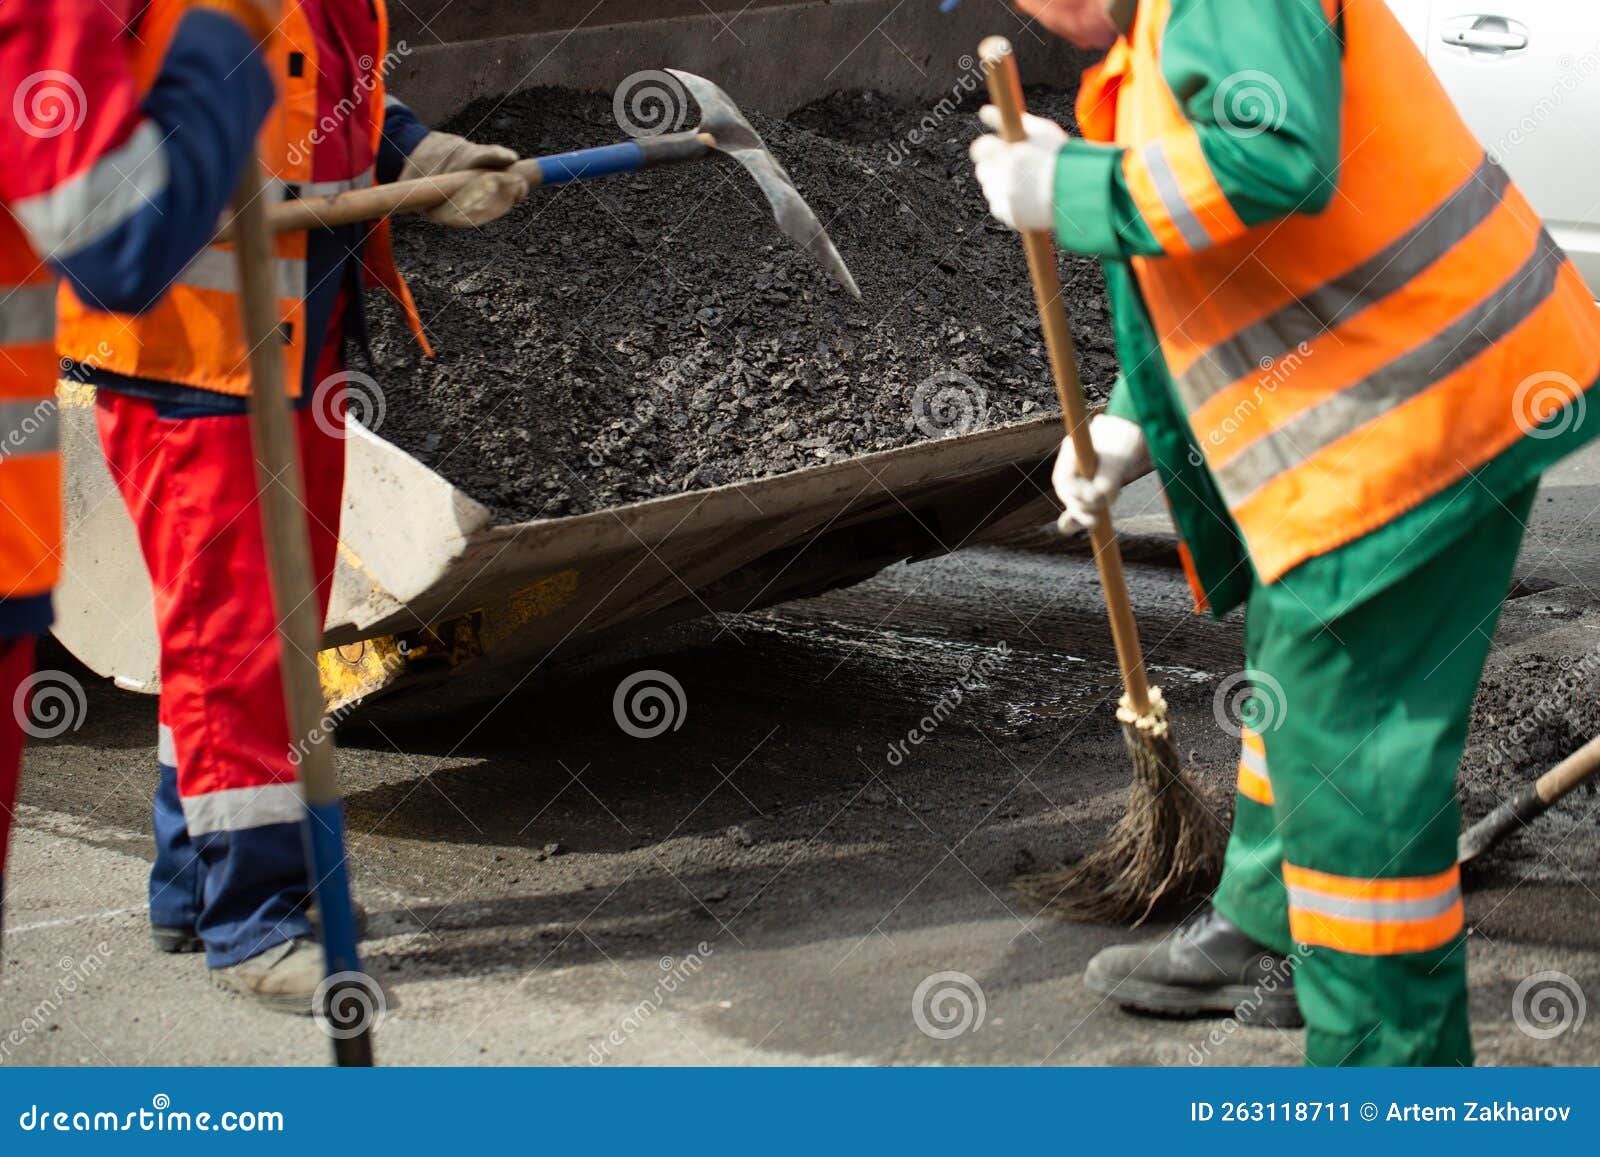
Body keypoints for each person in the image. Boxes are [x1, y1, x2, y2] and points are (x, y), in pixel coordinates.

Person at [969, 0, 1600, 1065]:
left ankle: (1389, 1079)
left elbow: (1274, 161)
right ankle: (1264, 928)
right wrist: (1130, 423)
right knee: (1291, 679)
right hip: (1398, 408)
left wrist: (1073, 188)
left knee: (1354, 775)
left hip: (1422, 423)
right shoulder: (1150, 37)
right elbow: (1217, 270)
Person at [56, 0, 526, 1012]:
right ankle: (255, 921)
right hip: (191, 356)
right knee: (235, 642)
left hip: (297, 338)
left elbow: (328, 89)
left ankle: (194, 883)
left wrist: (422, 151)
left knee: (266, 631)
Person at [0, 0, 281, 942]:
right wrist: (228, 40)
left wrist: (402, 139)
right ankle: (242, 903)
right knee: (222, 635)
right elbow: (117, 239)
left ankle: (210, 887)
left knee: (234, 636)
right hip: (168, 360)